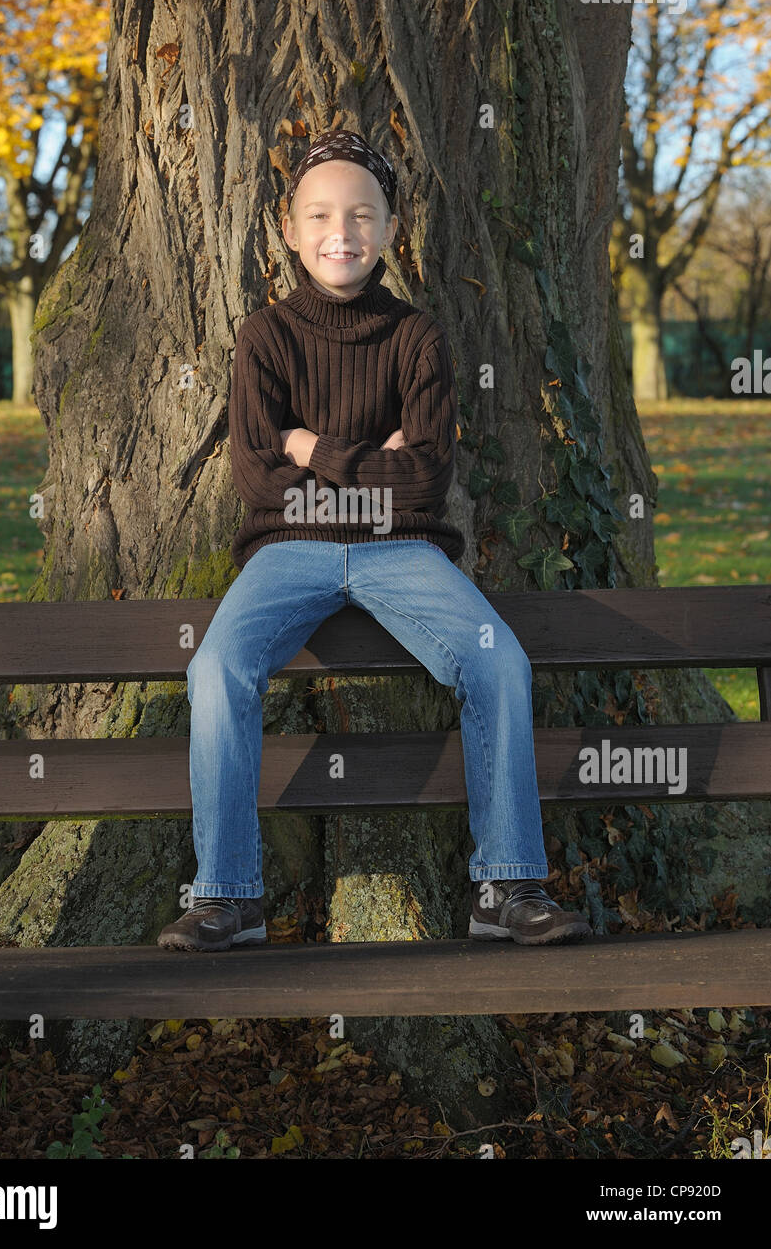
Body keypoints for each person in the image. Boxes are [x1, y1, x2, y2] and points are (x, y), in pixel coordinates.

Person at [157, 129, 592, 953]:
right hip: (287, 550)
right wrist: (359, 470)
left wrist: (309, 448)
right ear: (288, 229)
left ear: (391, 228)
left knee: (497, 659)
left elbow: (424, 480)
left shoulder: (416, 337)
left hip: (404, 549)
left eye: (362, 214)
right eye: (319, 213)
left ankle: (506, 884)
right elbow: (257, 478)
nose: (341, 232)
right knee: (216, 668)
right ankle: (227, 896)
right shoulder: (266, 338)